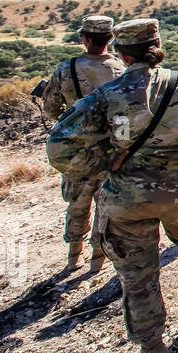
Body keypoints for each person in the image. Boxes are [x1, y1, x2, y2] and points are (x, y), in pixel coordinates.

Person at [46, 19, 178, 353]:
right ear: (157, 46)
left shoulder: (107, 95)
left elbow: (59, 147)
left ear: (122, 53)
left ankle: (153, 348)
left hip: (126, 198)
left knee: (137, 273)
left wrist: (103, 162)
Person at [42, 15, 125, 272]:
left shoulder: (66, 69)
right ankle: (98, 258)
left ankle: (73, 256)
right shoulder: (121, 70)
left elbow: (50, 108)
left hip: (75, 147)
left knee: (77, 202)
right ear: (110, 39)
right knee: (105, 203)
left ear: (85, 39)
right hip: (109, 148)